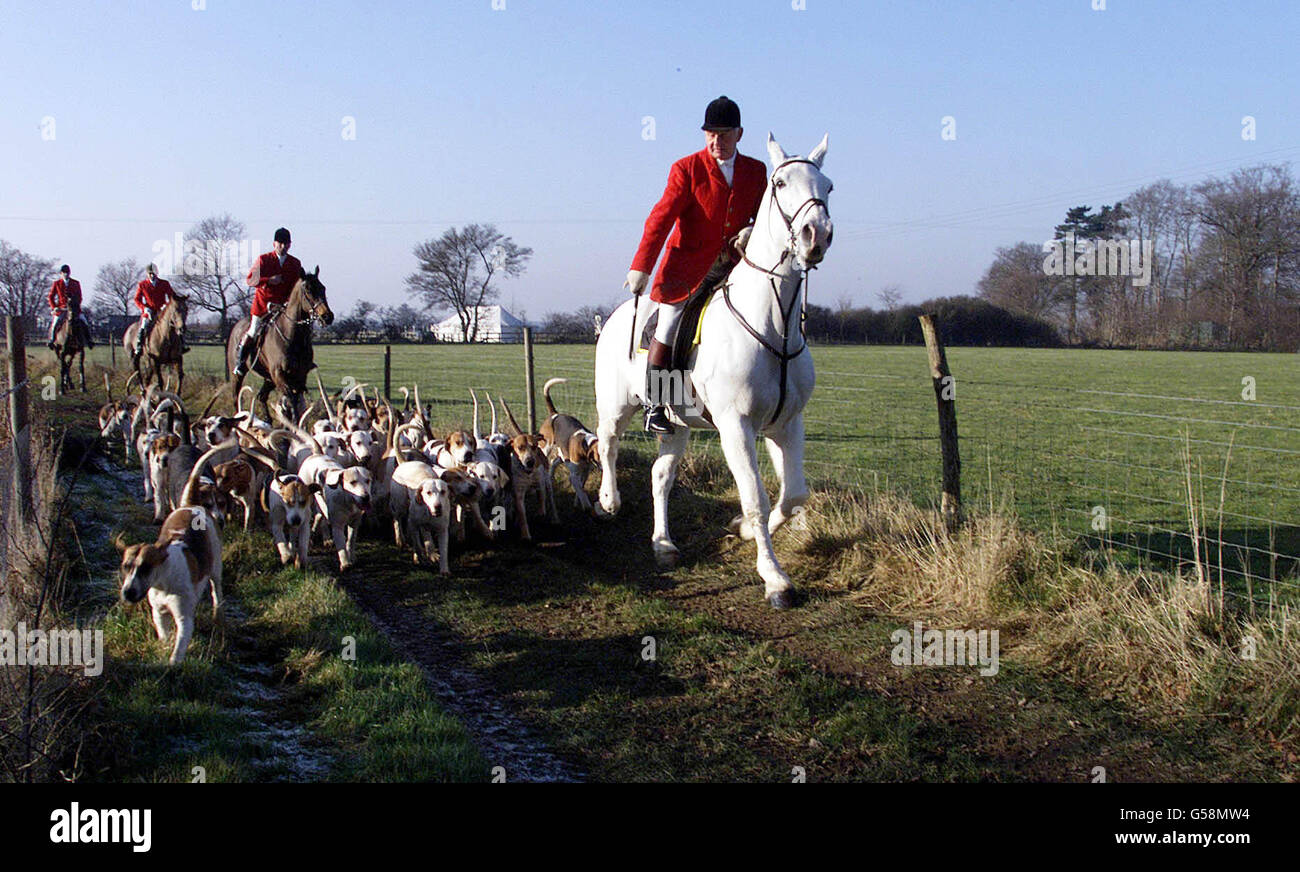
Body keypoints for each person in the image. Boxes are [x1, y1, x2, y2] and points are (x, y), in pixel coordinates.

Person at [626, 95, 766, 433]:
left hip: (735, 266)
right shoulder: (686, 169)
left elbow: (765, 219)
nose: (717, 141)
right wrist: (641, 265)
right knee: (670, 325)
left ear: (740, 134)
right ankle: (657, 405)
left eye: (725, 134)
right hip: (686, 269)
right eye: (710, 134)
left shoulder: (757, 171)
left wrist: (752, 231)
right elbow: (660, 219)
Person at [232, 227, 303, 376]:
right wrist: (268, 280)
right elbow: (250, 279)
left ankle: (303, 361)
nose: (283, 247)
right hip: (263, 306)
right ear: (274, 243)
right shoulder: (264, 260)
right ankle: (240, 362)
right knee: (253, 330)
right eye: (280, 244)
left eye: (287, 244)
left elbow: (296, 287)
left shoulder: (295, 263)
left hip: (283, 307)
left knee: (297, 329)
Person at [132, 263, 187, 364]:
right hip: (149, 311)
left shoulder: (164, 283)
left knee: (176, 325)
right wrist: (144, 308)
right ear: (147, 274)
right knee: (144, 326)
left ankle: (182, 344)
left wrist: (167, 305)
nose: (152, 275)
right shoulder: (142, 285)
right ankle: (139, 347)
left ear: (157, 273)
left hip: (162, 310)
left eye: (154, 273)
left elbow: (171, 296)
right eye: (150, 274)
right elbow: (137, 299)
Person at [48, 264, 93, 350]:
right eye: (64, 273)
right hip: (61, 309)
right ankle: (52, 340)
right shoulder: (56, 283)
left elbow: (79, 297)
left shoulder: (76, 283)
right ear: (61, 273)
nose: (66, 274)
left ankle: (89, 340)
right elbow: (51, 297)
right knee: (55, 324)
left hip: (74, 309)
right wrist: (54, 307)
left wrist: (75, 306)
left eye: (67, 273)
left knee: (84, 322)